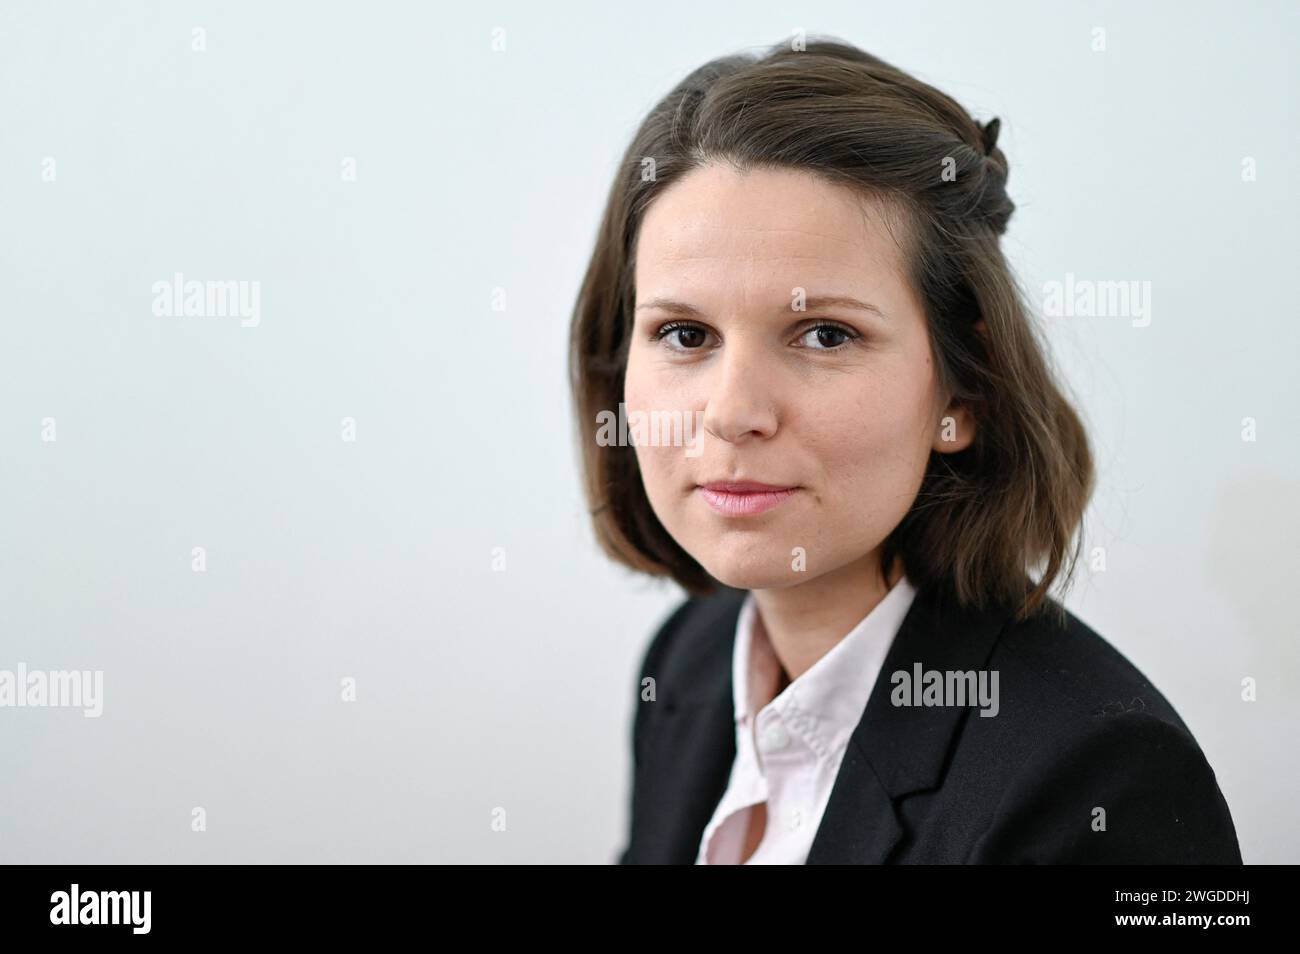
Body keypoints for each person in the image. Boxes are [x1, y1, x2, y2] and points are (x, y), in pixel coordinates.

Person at [568, 37, 1242, 864]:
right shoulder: (690, 664)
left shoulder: (1104, 780)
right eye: (684, 333)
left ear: (964, 389)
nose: (733, 414)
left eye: (823, 334)